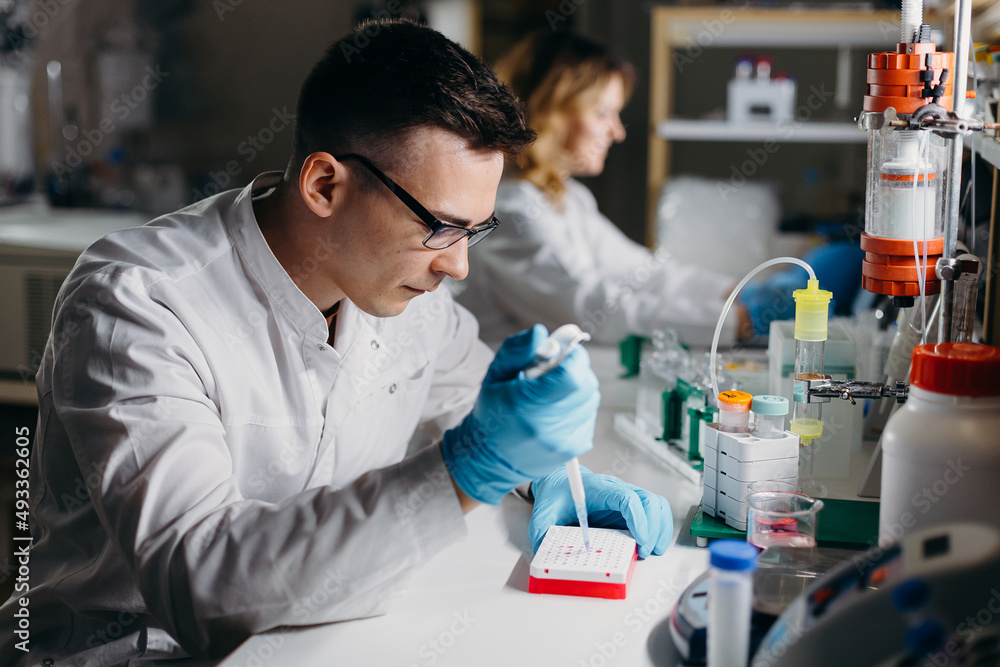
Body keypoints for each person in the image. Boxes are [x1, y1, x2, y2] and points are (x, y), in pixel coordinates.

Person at [0, 20, 674, 666]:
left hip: (313, 639)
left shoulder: (400, 290)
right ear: (325, 185)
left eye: (476, 229)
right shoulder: (139, 303)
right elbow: (198, 579)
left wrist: (547, 472)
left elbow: (473, 400)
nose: (459, 265)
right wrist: (463, 472)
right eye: (442, 227)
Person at [456, 31, 749, 346]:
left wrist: (735, 291)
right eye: (602, 113)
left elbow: (642, 274)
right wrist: (731, 321)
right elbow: (590, 309)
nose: (618, 132)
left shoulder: (569, 198)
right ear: (550, 110)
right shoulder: (509, 210)